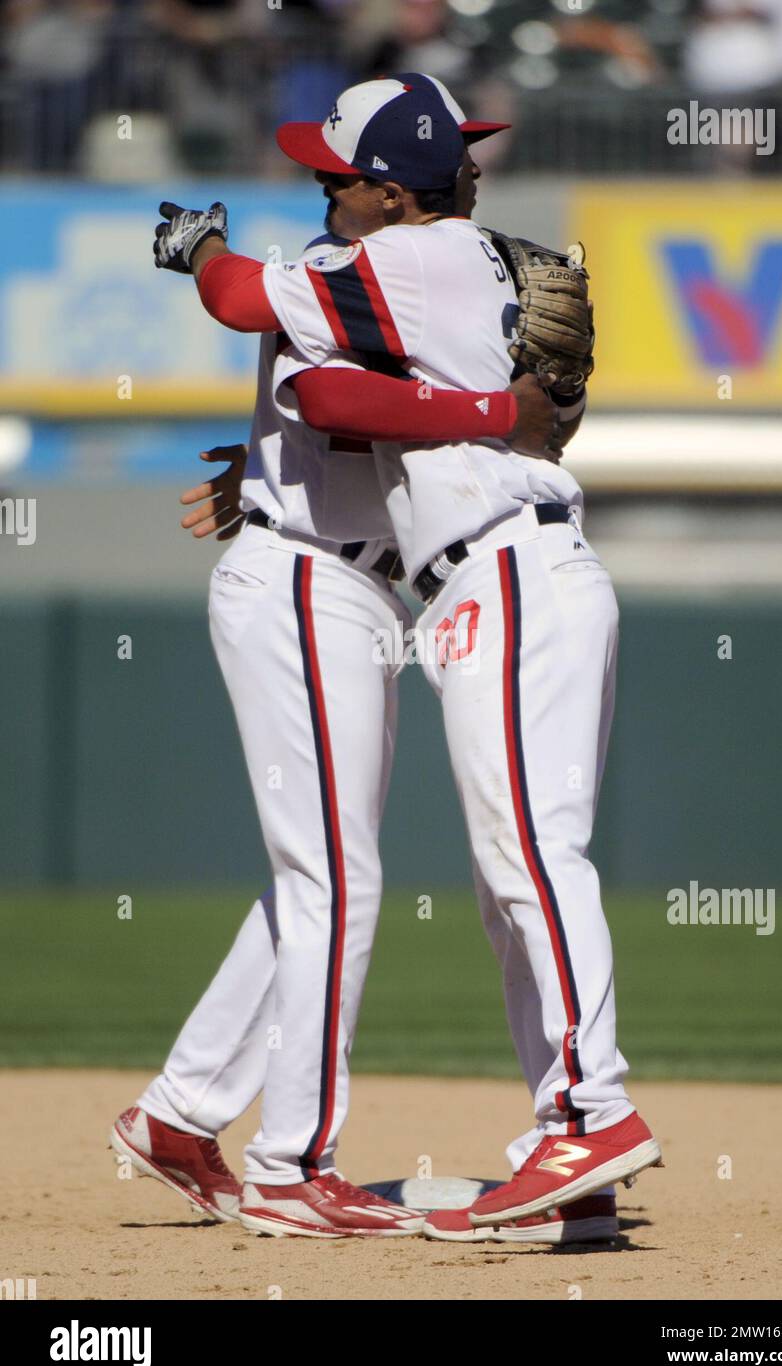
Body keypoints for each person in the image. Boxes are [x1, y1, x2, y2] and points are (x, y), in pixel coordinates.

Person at [154, 72, 662, 1239]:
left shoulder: (388, 263)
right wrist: (272, 470)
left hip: (507, 567)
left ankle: (591, 1109)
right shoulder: (468, 262)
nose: (325, 191)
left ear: (388, 192)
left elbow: (245, 304)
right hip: (477, 569)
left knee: (529, 853)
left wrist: (197, 251)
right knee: (505, 870)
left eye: (337, 177)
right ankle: (565, 1137)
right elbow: (334, 401)